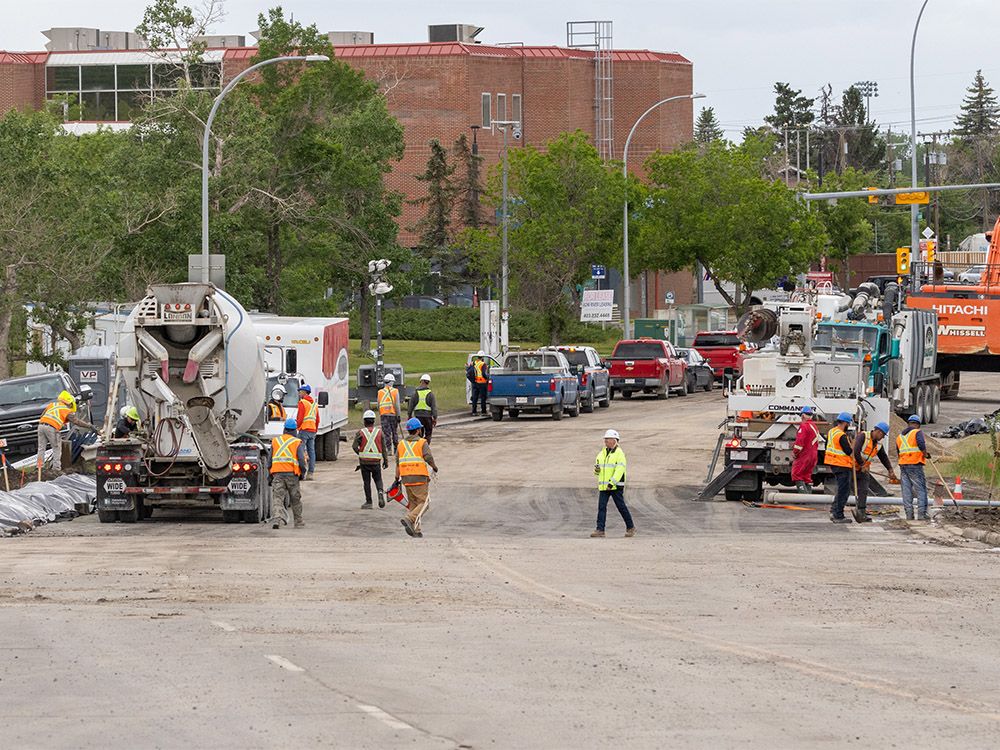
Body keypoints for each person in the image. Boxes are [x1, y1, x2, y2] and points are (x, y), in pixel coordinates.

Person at [396, 417, 438, 537]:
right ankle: (410, 519)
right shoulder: (422, 442)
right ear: (418, 430)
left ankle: (416, 530)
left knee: (413, 504)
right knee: (424, 503)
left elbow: (398, 463)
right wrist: (434, 467)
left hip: (406, 478)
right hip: (419, 477)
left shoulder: (401, 444)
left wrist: (396, 479)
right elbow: (428, 457)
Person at [36, 390, 96, 474]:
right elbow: (77, 421)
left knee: (41, 448)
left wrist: (59, 422)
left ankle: (39, 468)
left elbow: (43, 416)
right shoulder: (66, 410)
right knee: (57, 448)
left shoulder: (52, 405)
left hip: (41, 426)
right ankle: (56, 470)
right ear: (69, 403)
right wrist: (90, 426)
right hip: (52, 428)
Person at [591, 429, 636, 538]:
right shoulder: (601, 454)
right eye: (605, 439)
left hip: (615, 486)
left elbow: (620, 470)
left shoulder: (619, 454)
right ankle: (600, 530)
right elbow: (597, 470)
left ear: (615, 440)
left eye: (608, 439)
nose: (605, 441)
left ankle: (630, 527)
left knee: (621, 506)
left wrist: (612, 483)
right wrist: (596, 470)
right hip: (603, 486)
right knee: (601, 507)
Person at [851, 420, 898, 523]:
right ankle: (837, 511)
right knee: (846, 490)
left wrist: (890, 470)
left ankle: (861, 513)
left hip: (863, 470)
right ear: (878, 432)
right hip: (852, 467)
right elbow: (856, 451)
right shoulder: (863, 436)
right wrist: (862, 464)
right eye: (883, 435)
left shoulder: (878, 444)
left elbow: (883, 457)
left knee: (863, 490)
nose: (882, 437)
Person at [268, 417, 307, 529]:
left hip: (278, 475)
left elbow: (270, 461)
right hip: (292, 475)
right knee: (295, 499)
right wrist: (303, 473)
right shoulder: (296, 442)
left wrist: (269, 475)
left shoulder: (276, 441)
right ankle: (298, 521)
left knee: (278, 498)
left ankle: (277, 520)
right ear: (295, 431)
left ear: (284, 429)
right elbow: (301, 460)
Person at [823, 412, 857, 523]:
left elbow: (826, 446)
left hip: (833, 464)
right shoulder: (841, 435)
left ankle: (834, 510)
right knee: (844, 491)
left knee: (841, 489)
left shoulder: (831, 432)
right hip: (842, 465)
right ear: (845, 423)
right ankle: (838, 515)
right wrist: (853, 444)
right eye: (848, 423)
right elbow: (848, 451)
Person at [353, 409, 389, 509]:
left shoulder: (360, 432)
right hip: (376, 462)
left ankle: (369, 502)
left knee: (367, 482)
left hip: (364, 462)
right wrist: (385, 460)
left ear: (364, 421)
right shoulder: (379, 432)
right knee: (378, 479)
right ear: (374, 421)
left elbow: (354, 446)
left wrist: (361, 454)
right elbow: (384, 448)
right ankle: (380, 492)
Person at [896, 414, 930, 521]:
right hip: (915, 465)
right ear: (918, 425)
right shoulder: (917, 432)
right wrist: (925, 454)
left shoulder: (900, 437)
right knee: (921, 490)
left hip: (903, 465)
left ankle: (909, 515)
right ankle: (921, 514)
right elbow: (921, 445)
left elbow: (899, 452)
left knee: (906, 491)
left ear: (908, 423)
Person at [791, 406, 820, 493]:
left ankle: (803, 497)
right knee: (806, 476)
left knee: (797, 474)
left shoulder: (804, 426)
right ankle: (808, 498)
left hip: (805, 455)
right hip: (813, 455)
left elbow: (799, 442)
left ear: (802, 415)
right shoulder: (814, 426)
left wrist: (795, 452)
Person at [296, 384, 318, 480]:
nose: (299, 392)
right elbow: (317, 420)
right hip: (312, 430)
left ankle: (301, 473)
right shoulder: (314, 404)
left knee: (301, 452)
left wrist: (297, 427)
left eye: (300, 391)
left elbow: (300, 418)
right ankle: (311, 473)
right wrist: (315, 430)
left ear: (305, 392)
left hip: (304, 430)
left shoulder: (302, 402)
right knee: (311, 452)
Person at [408, 373, 438, 443]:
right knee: (428, 434)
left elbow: (411, 406)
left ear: (421, 381)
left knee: (418, 434)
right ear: (428, 382)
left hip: (418, 417)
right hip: (428, 418)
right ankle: (426, 447)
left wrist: (409, 415)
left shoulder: (415, 393)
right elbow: (434, 407)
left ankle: (419, 447)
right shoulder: (430, 394)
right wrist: (435, 418)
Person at [377, 373, 401, 454]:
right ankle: (396, 449)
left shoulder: (380, 392)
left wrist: (381, 413)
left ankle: (389, 449)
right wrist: (398, 415)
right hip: (393, 415)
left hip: (383, 415)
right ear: (391, 382)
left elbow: (378, 404)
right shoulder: (395, 391)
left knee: (386, 433)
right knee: (394, 432)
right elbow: (397, 405)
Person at [466, 351, 490, 416]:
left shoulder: (474, 363)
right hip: (482, 383)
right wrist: (487, 378)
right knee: (483, 398)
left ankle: (474, 411)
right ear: (482, 357)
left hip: (475, 382)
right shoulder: (483, 364)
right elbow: (483, 373)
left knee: (475, 398)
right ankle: (483, 412)